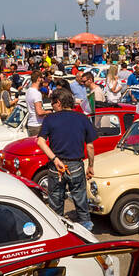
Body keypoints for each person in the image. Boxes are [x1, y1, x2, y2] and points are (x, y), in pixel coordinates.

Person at [36, 92, 97, 230]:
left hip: (55, 167)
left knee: (55, 205)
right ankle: (86, 234)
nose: (52, 107)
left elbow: (40, 142)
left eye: (52, 104)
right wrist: (91, 166)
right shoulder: (82, 118)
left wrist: (55, 159)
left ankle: (59, 233)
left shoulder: (50, 119)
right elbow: (90, 146)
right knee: (81, 202)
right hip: (76, 165)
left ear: (58, 102)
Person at [23, 71, 47, 138]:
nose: (43, 80)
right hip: (37, 125)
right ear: (39, 78)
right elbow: (39, 112)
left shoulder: (28, 91)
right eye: (42, 78)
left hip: (31, 124)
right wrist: (49, 112)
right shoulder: (37, 93)